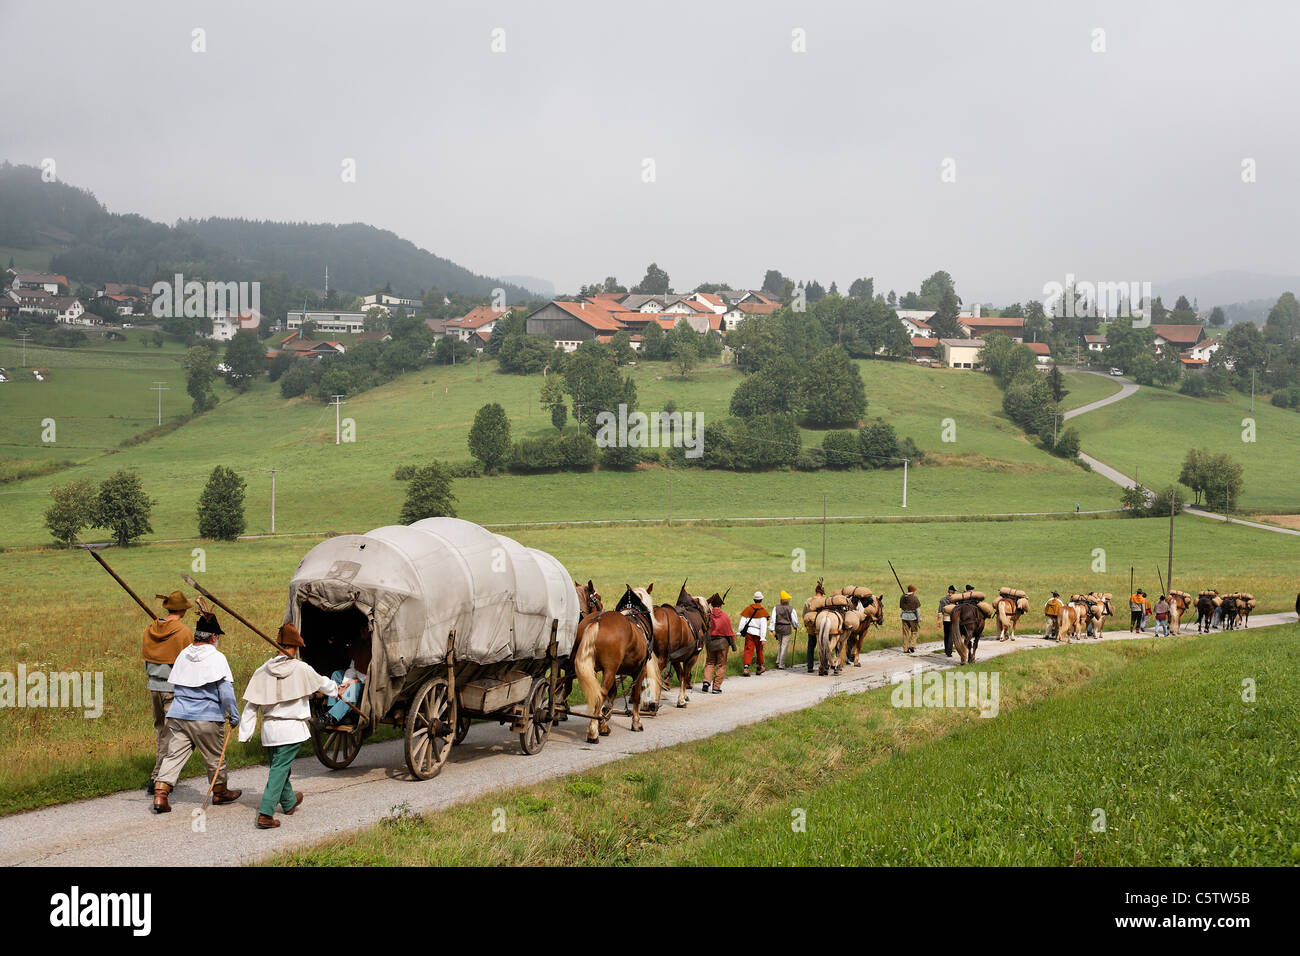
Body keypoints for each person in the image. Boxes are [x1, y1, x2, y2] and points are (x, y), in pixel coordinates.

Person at [238, 623, 339, 830]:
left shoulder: (262, 670)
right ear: (295, 647)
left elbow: (251, 706)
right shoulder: (301, 668)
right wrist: (337, 689)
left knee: (279, 767)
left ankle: (289, 802)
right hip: (291, 730)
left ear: (279, 645)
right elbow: (323, 684)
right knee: (279, 769)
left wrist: (246, 732)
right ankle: (265, 813)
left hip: (269, 732)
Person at [152, 610, 241, 813]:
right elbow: (226, 692)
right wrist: (234, 715)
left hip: (179, 716)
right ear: (213, 637)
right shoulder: (217, 658)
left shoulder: (183, 654)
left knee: (174, 756)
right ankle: (219, 792)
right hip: (206, 717)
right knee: (214, 757)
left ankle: (160, 794)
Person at [142, 590, 194, 795]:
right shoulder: (183, 632)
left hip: (154, 686)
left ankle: (157, 777)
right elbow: (191, 662)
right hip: (173, 689)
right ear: (182, 609)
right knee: (175, 735)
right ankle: (161, 780)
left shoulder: (151, 628)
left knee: (161, 732)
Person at [325, 627, 372, 726]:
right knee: (336, 674)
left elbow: (371, 676)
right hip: (356, 679)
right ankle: (332, 709)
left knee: (354, 687)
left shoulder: (375, 649)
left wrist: (352, 683)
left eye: (365, 630)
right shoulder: (359, 646)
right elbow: (352, 668)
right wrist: (344, 685)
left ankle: (332, 717)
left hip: (369, 684)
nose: (362, 632)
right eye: (361, 630)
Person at [700, 593, 735, 694]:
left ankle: (706, 682)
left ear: (712, 605)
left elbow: (704, 629)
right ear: (720, 605)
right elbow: (729, 633)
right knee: (721, 665)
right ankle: (716, 687)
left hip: (710, 643)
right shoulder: (725, 616)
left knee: (710, 662)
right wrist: (733, 646)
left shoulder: (708, 616)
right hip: (722, 644)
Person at [738, 592, 770, 676]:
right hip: (759, 634)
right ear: (761, 600)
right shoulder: (763, 611)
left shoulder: (748, 609)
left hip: (749, 633)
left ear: (754, 599)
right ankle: (759, 667)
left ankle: (746, 668)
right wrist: (763, 638)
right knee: (759, 650)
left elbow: (742, 621)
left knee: (748, 650)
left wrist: (740, 631)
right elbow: (763, 626)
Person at [771, 591, 797, 669]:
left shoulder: (776, 608)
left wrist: (771, 629)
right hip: (786, 628)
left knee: (780, 644)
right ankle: (781, 664)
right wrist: (795, 626)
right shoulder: (791, 608)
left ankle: (778, 660)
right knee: (784, 646)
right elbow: (794, 620)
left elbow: (773, 619)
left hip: (778, 628)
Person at [899, 585, 921, 653]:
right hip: (912, 617)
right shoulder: (914, 598)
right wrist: (919, 618)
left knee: (905, 633)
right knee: (915, 632)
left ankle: (905, 649)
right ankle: (912, 645)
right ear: (913, 591)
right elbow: (917, 610)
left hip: (904, 616)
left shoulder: (902, 597)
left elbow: (901, 608)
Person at [938, 585, 957, 656]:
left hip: (945, 619)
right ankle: (949, 652)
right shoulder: (956, 599)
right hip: (953, 619)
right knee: (951, 636)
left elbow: (939, 611)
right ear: (954, 592)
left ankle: (946, 650)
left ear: (948, 591)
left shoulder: (943, 599)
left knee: (946, 635)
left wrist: (938, 620)